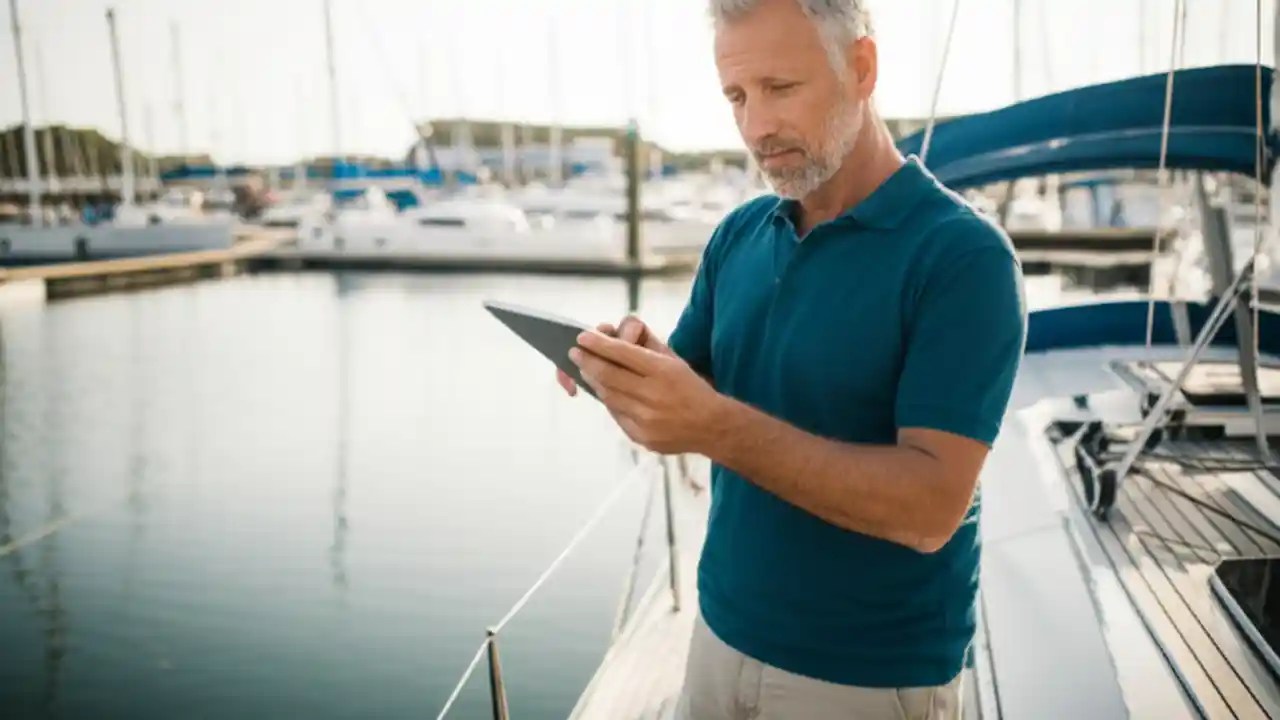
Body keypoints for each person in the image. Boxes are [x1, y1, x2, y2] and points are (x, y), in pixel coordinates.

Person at [558, 0, 1026, 717]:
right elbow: (692, 393)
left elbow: (933, 507)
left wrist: (712, 426)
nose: (755, 127)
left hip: (864, 676)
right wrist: (629, 368)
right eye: (737, 97)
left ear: (861, 68)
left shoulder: (963, 257)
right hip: (718, 633)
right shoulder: (739, 235)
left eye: (781, 88)